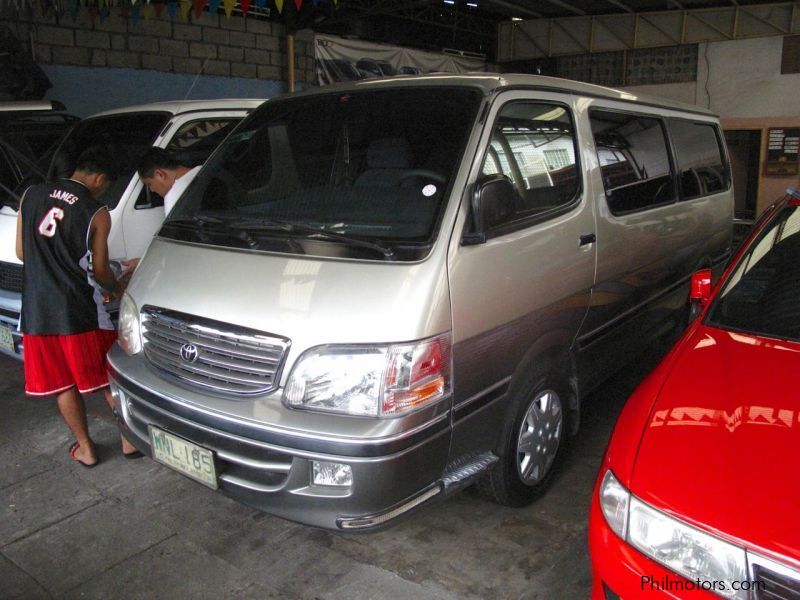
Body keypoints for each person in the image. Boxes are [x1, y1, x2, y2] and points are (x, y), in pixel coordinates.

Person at [15, 146, 141, 467]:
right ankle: (129, 441)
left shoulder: (31, 194)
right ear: (99, 178)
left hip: (37, 312)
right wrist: (117, 284)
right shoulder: (96, 212)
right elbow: (99, 271)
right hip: (79, 311)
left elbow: (21, 253)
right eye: (105, 184)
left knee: (62, 383)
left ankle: (85, 447)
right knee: (107, 378)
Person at [137, 147, 201, 216]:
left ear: (160, 175)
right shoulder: (206, 168)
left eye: (149, 184)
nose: (152, 190)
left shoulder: (173, 200)